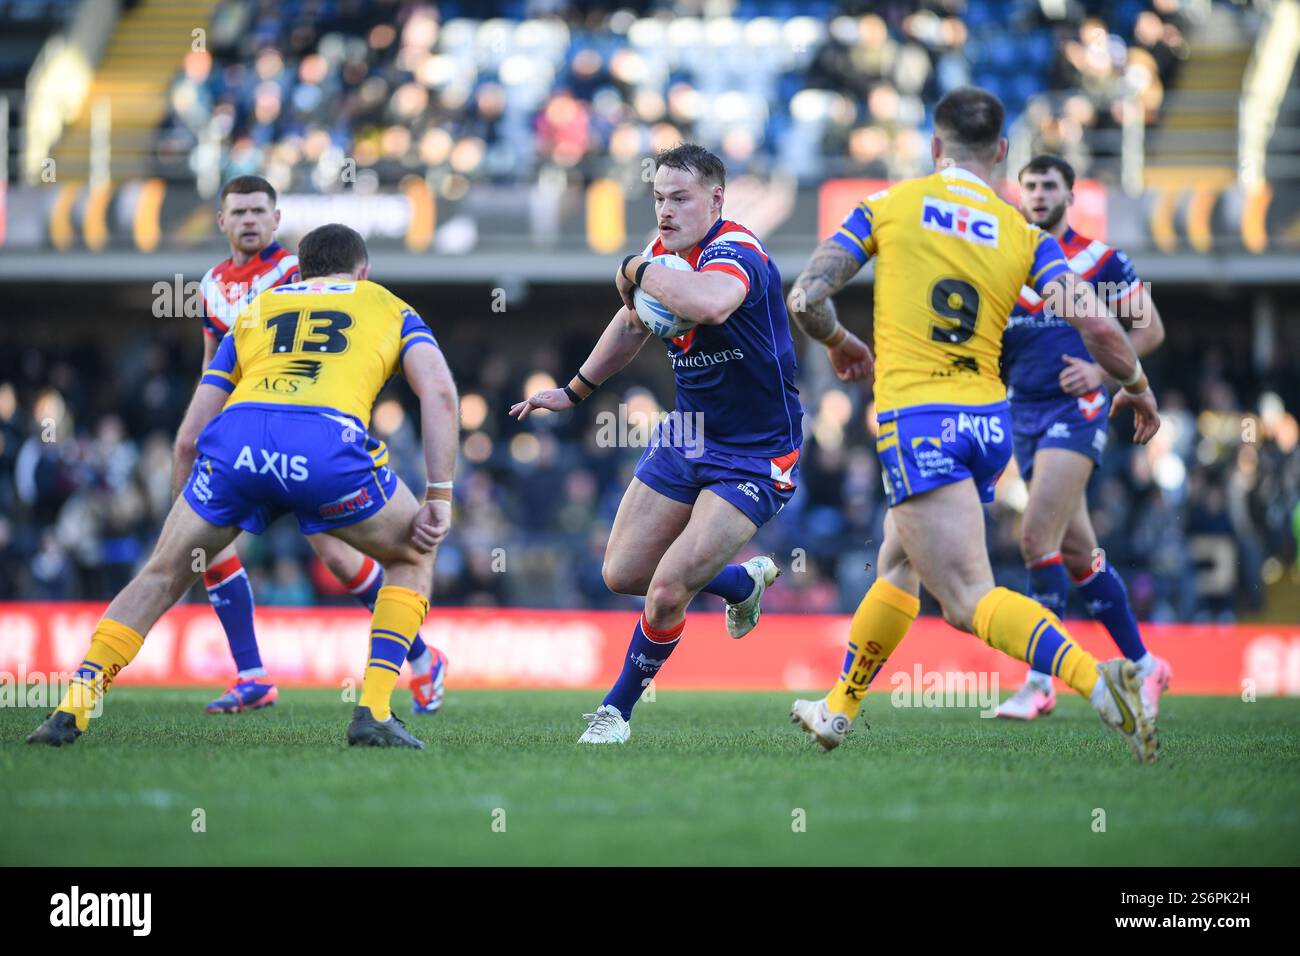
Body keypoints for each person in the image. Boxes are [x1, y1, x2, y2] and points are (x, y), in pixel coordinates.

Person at [784, 87, 1163, 763]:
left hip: (918, 419)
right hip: (989, 424)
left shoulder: (891, 205)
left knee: (966, 598)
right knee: (897, 561)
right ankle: (838, 708)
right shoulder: (1026, 234)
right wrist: (1135, 387)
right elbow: (1100, 324)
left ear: (935, 148)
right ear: (1001, 154)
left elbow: (806, 296)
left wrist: (841, 341)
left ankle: (1101, 681)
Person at [29, 224, 458, 749]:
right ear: (363, 271)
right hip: (325, 448)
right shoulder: (388, 304)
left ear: (300, 272)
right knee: (413, 554)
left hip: (238, 445)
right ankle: (373, 710)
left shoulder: (259, 308)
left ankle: (70, 708)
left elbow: (189, 435)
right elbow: (438, 392)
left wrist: (185, 510)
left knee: (161, 573)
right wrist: (439, 495)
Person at [509, 144, 801, 744]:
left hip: (757, 450)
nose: (665, 211)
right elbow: (631, 322)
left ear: (716, 199)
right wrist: (575, 390)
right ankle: (741, 584)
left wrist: (636, 270)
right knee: (622, 573)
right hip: (688, 434)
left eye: (680, 199)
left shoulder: (735, 250)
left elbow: (710, 304)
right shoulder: (660, 256)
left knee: (668, 589)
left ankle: (615, 714)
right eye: (659, 198)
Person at [178, 176, 446, 716]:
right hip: (244, 436)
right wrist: (203, 428)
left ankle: (420, 655)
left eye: (259, 211)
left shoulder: (295, 274)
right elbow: (213, 364)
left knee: (340, 561)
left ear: (276, 221)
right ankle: (251, 673)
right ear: (222, 220)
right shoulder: (209, 286)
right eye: (240, 211)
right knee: (212, 546)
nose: (249, 220)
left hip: (302, 428)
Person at [996, 154, 1171, 720]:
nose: (1040, 194)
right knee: (1078, 556)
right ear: (1019, 194)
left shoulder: (1099, 260)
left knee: (1035, 537)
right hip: (1022, 415)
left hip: (1079, 413)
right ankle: (1147, 666)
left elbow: (1150, 328)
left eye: (1050, 185)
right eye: (1031, 185)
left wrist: (1102, 372)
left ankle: (1040, 680)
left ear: (1070, 194)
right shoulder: (1006, 261)